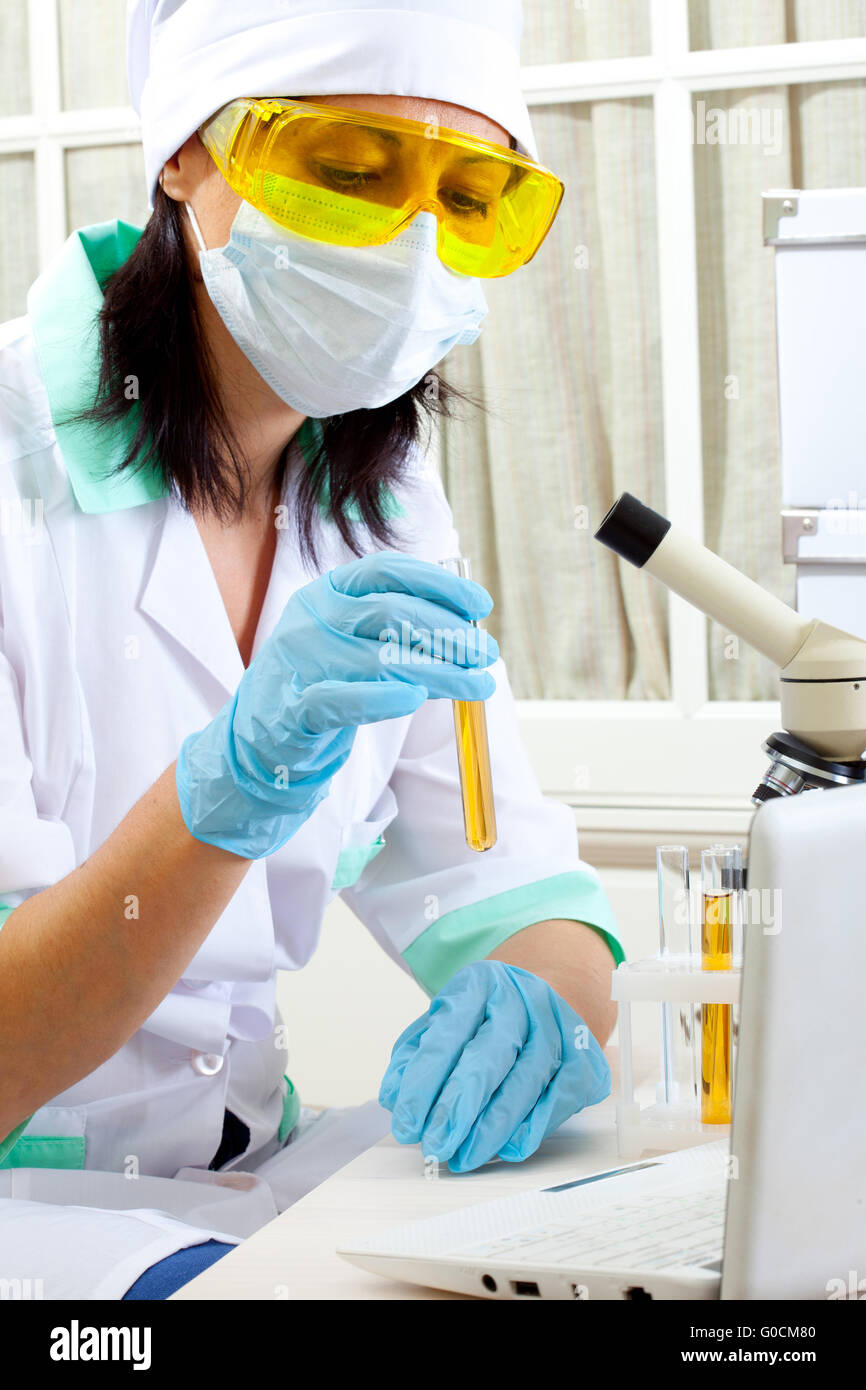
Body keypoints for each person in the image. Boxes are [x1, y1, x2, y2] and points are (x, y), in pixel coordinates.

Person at [0, 0, 624, 1299]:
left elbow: (510, 889)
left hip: (254, 1182)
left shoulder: (384, 500)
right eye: (345, 173)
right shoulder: (16, 479)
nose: (407, 246)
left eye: (467, 196)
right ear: (183, 150)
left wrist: (545, 1006)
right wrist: (219, 798)